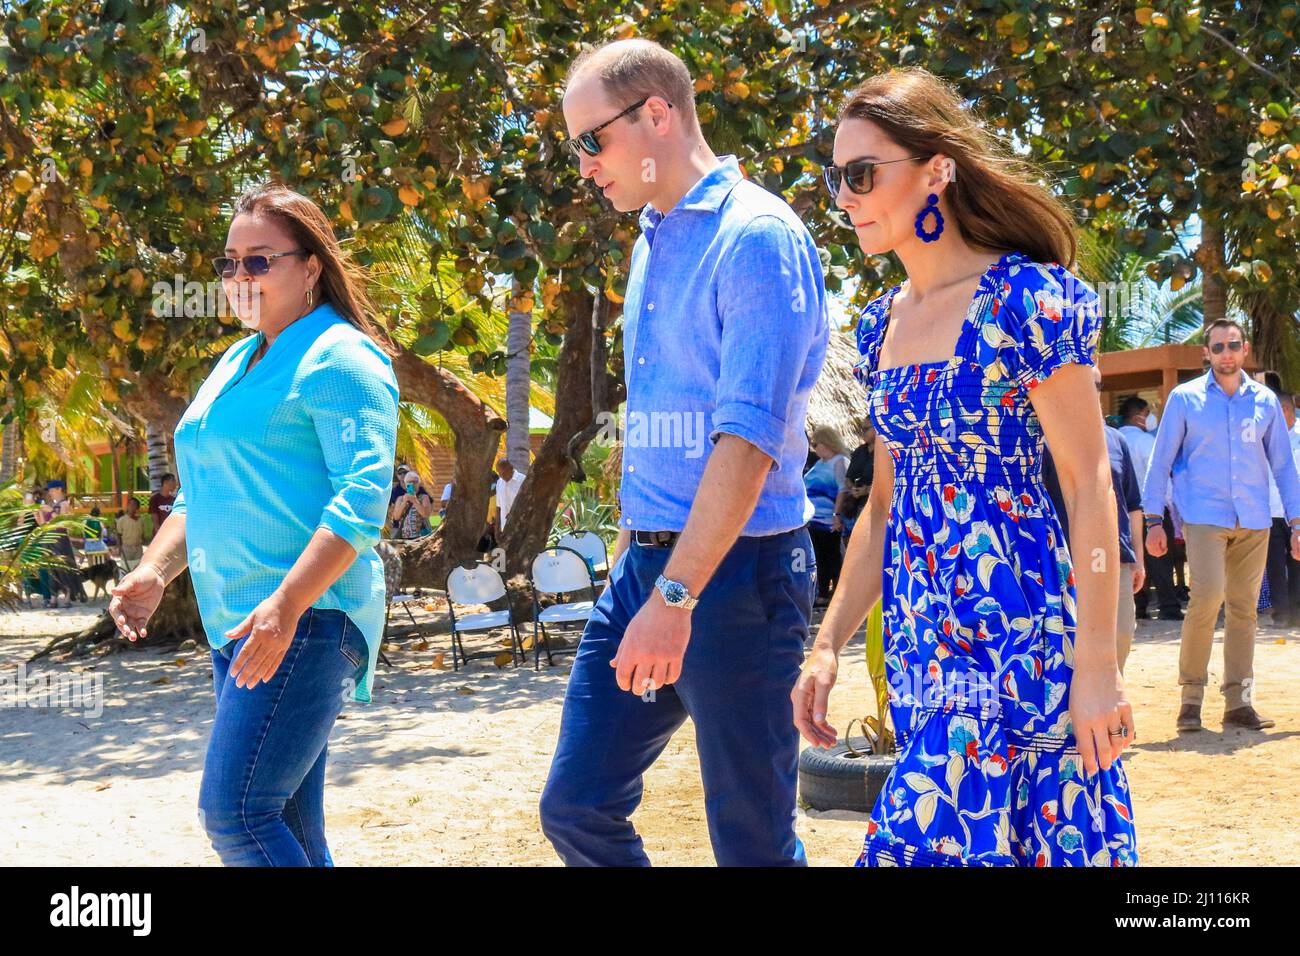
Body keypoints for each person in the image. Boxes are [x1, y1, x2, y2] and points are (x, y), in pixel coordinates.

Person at [793, 67, 1137, 867]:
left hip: (1019, 632)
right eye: (834, 176)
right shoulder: (878, 327)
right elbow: (881, 505)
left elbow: (1090, 485)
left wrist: (1097, 668)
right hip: (921, 640)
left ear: (937, 168)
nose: (844, 195)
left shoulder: (1029, 301)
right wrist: (828, 642)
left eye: (861, 173)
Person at [539, 38, 829, 867]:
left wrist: (675, 593)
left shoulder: (758, 237)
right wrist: (637, 560)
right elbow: (662, 425)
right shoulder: (652, 238)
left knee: (751, 845)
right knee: (577, 808)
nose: (584, 166)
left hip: (740, 578)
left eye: (590, 141)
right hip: (652, 568)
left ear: (656, 115)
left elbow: (748, 438)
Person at [107, 182, 399, 866]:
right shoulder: (237, 360)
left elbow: (362, 499)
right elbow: (201, 498)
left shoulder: (342, 358)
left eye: (259, 261)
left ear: (310, 267)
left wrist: (286, 606)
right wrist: (153, 570)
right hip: (239, 623)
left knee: (236, 814)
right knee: (289, 827)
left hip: (306, 619)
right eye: (229, 262)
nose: (239, 277)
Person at [1143, 320, 1300, 732]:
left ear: (1244, 349)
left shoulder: (1265, 401)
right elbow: (1160, 463)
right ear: (1206, 353)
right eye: (1218, 346)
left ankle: (1239, 702)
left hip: (1253, 518)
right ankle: (1191, 700)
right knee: (1207, 597)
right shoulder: (1184, 399)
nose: (1226, 353)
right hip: (1203, 516)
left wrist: (1297, 521)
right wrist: (1154, 520)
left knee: (1245, 610)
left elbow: (1283, 468)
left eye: (1233, 345)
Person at [1262, 390, 1300, 628]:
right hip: (1271, 511)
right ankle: (1282, 614)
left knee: (1297, 563)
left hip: (1296, 512)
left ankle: (1297, 612)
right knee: (1274, 564)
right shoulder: (1266, 437)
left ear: (1284, 410)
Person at [804, 426, 850, 605]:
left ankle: (837, 593)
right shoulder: (820, 463)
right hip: (815, 519)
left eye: (816, 444)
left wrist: (836, 514)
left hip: (829, 518)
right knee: (820, 556)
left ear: (827, 442)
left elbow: (842, 489)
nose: (814, 448)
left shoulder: (839, 461)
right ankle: (822, 592)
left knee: (832, 555)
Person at [834, 422, 876, 553]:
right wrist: (853, 489)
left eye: (866, 429)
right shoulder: (860, 451)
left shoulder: (884, 453)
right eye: (861, 428)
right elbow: (848, 477)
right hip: (855, 504)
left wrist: (867, 490)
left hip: (874, 504)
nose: (863, 432)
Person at [389, 469, 434, 540]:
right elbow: (396, 517)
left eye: (415, 482)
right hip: (405, 536)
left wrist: (415, 501)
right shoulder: (401, 499)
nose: (412, 484)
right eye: (410, 482)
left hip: (421, 537)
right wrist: (404, 502)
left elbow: (426, 514)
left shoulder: (424, 497)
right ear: (406, 484)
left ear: (419, 483)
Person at [494, 458, 525, 531]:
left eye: (504, 473)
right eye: (499, 473)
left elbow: (528, 504)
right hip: (505, 529)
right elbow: (499, 507)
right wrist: (497, 528)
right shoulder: (499, 482)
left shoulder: (523, 480)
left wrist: (515, 514)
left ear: (511, 468)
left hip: (520, 527)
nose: (502, 476)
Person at [116, 496, 145, 571]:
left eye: (134, 505)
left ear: (137, 507)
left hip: (138, 548)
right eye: (130, 505)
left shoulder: (141, 520)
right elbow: (118, 534)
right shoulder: (122, 520)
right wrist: (120, 548)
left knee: (138, 569)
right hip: (126, 548)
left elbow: (142, 534)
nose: (132, 507)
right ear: (127, 506)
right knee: (125, 569)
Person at [148, 473, 178, 538]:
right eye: (173, 481)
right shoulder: (154, 499)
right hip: (159, 534)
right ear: (165, 482)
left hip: (172, 533)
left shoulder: (175, 499)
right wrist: (159, 534)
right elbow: (155, 520)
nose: (175, 485)